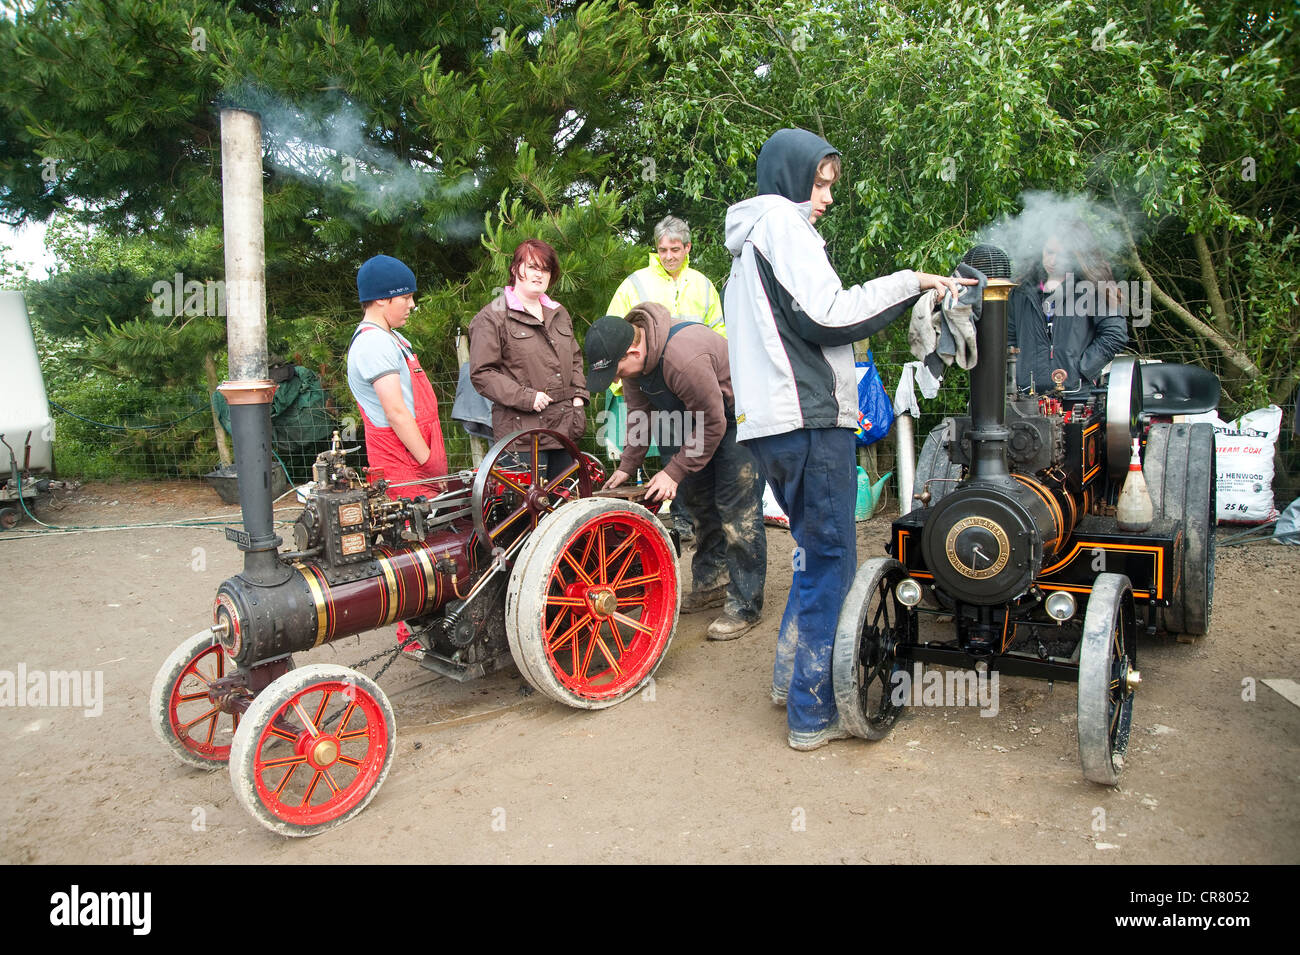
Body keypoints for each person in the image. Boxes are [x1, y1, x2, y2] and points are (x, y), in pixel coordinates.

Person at [723, 128, 972, 751]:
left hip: (769, 428)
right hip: (809, 423)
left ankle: (789, 679)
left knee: (811, 554)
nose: (827, 197)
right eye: (820, 182)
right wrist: (911, 282)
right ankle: (813, 714)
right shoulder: (783, 226)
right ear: (790, 176)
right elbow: (829, 314)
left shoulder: (746, 245)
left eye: (830, 185)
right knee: (832, 562)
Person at [585, 304, 766, 640]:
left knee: (736, 510)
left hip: (737, 418)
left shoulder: (683, 358)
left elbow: (713, 421)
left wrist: (674, 470)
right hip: (697, 420)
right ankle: (712, 580)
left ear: (634, 350)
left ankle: (745, 604)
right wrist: (627, 466)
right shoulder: (636, 368)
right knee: (698, 503)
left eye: (616, 369)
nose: (614, 378)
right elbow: (640, 417)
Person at [606, 216, 724, 543]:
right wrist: (627, 467)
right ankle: (686, 526)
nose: (669, 255)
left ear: (688, 248)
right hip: (665, 392)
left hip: (713, 393)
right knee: (679, 462)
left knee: (721, 484)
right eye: (662, 250)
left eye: (675, 249)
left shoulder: (702, 284)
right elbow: (615, 331)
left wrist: (709, 369)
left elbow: (720, 330)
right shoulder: (635, 285)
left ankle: (718, 533)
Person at [468, 239, 588, 479]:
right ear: (515, 269)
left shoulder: (558, 313)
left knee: (565, 508)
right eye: (532, 267)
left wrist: (578, 398)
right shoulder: (492, 317)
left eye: (545, 269)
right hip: (521, 436)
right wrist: (526, 397)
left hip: (564, 430)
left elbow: (575, 358)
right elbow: (482, 374)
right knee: (526, 512)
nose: (539, 274)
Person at [346, 254, 448, 501]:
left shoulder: (395, 339)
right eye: (405, 297)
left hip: (417, 455)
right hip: (404, 464)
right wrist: (429, 464)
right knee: (415, 533)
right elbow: (396, 413)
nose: (412, 304)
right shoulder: (373, 343)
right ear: (381, 298)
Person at [1008, 223, 1128, 396]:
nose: (1053, 261)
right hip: (1025, 398)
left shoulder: (1092, 288)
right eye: (1049, 252)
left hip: (1077, 395)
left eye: (1062, 254)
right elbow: (1009, 341)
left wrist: (1082, 369)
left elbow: (1115, 334)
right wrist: (1018, 373)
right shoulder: (1020, 291)